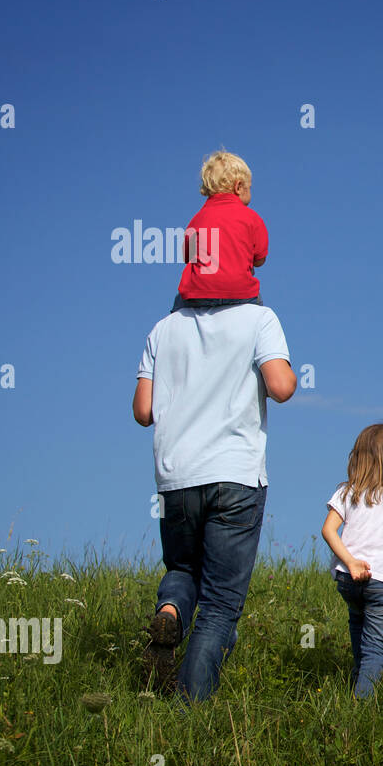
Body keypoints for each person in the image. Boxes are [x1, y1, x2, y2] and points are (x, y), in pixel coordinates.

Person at [133, 301, 294, 702]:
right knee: (220, 605)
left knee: (183, 568)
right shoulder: (260, 319)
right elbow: (281, 387)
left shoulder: (162, 329)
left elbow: (143, 410)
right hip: (234, 477)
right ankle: (188, 713)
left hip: (176, 479)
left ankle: (169, 611)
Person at [320, 424, 383, 699]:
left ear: (359, 456)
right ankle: (362, 707)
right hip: (382, 580)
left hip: (348, 578)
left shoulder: (347, 491)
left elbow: (328, 530)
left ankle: (357, 681)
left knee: (357, 627)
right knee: (374, 645)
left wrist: (351, 562)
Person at [171, 150, 269, 312]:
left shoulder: (197, 219)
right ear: (238, 187)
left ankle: (173, 327)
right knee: (258, 307)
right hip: (240, 292)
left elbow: (187, 256)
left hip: (198, 294)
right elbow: (260, 259)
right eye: (249, 188)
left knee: (178, 303)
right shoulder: (252, 218)